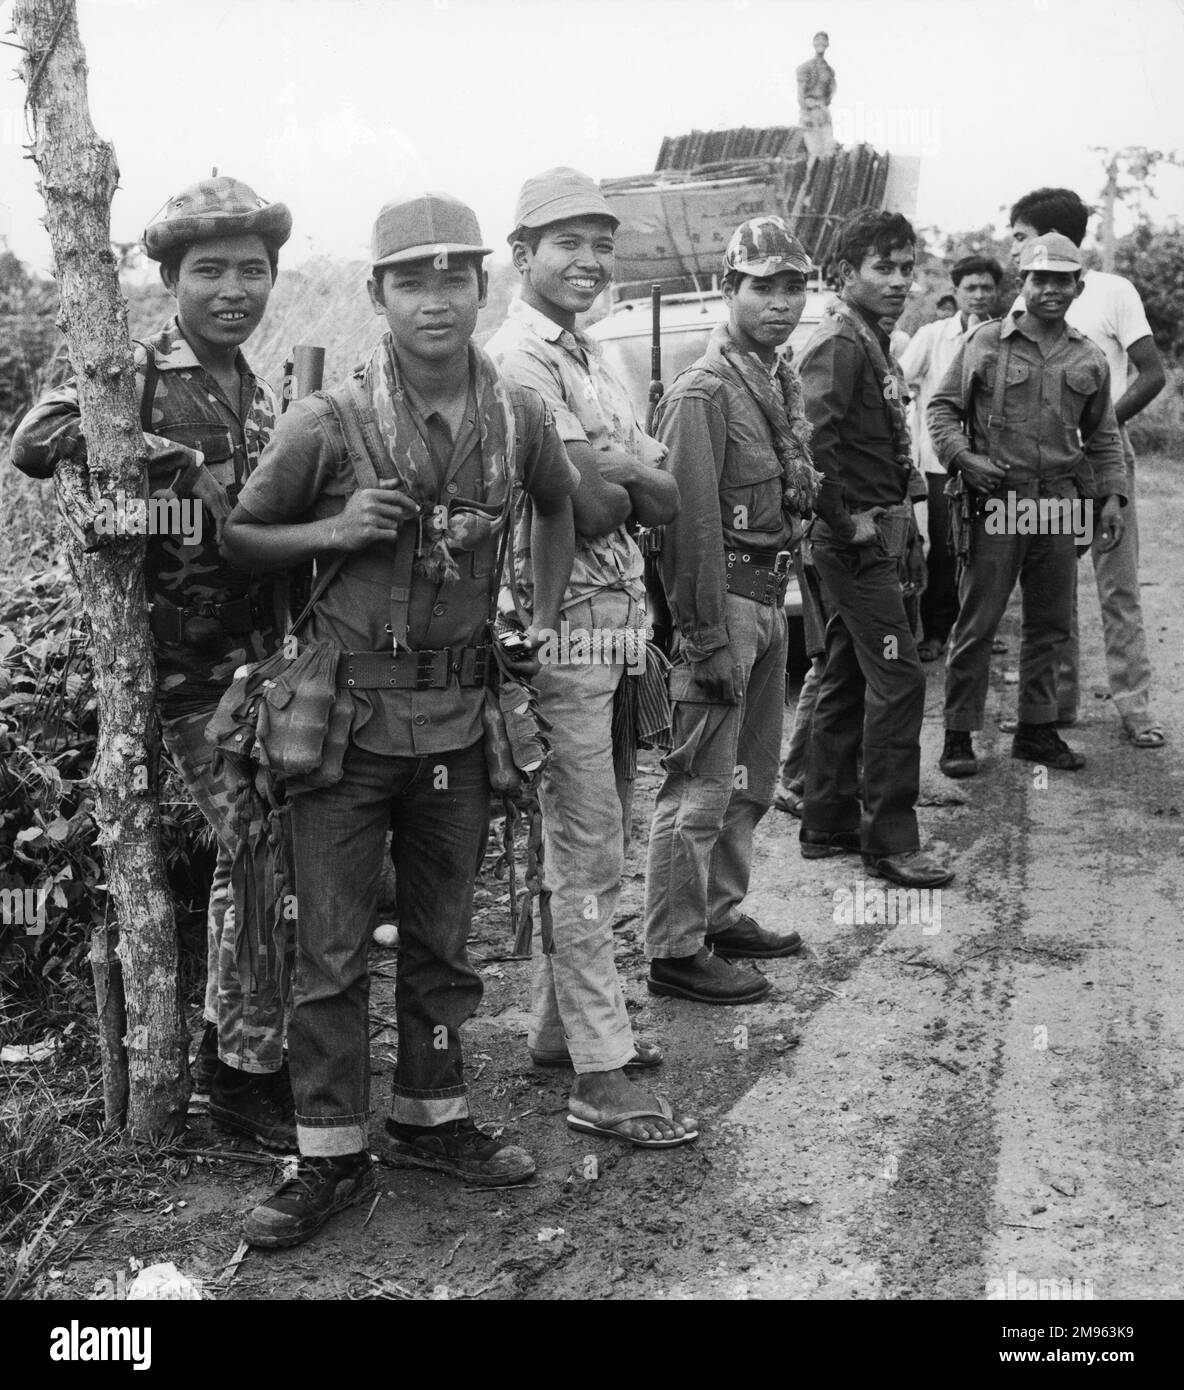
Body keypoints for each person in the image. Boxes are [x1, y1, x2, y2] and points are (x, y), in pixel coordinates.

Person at [223, 193, 578, 1248]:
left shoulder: (517, 413)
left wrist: (543, 618)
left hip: (460, 723)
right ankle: (327, 1153)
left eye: (454, 277)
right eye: (411, 279)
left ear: (483, 286)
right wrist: (335, 525)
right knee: (329, 951)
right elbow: (243, 533)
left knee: (440, 941)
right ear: (377, 295)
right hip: (341, 725)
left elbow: (559, 504)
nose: (436, 298)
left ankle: (433, 1118)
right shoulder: (328, 420)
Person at [11, 176, 298, 1149]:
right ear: (168, 276)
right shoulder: (128, 371)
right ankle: (242, 1080)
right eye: (208, 270)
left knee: (257, 858)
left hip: (262, 666)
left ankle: (247, 1048)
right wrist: (158, 456)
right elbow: (34, 442)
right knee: (257, 852)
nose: (232, 290)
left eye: (251, 271)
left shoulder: (260, 389)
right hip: (184, 675)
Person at [485, 168, 695, 1149]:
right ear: (521, 255)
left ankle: (560, 1031)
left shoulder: (593, 358)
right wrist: (615, 472)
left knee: (602, 821)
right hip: (557, 615)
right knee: (586, 842)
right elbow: (591, 497)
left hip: (615, 617)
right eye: (565, 243)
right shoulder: (515, 361)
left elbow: (658, 495)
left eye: (599, 244)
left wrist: (618, 471)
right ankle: (599, 1073)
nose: (587, 261)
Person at [644, 216, 817, 1006]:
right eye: (764, 287)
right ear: (730, 290)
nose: (781, 303)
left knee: (751, 778)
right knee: (699, 786)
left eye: (793, 288)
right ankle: (675, 949)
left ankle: (717, 915)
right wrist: (703, 633)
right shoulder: (702, 392)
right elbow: (686, 525)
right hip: (725, 605)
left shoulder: (777, 377)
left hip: (770, 595)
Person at [931, 233, 1127, 779]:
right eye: (1040, 279)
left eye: (1061, 280)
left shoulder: (1088, 356)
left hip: (1060, 502)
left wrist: (1111, 497)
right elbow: (942, 411)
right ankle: (959, 732)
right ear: (1023, 283)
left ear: (1077, 287)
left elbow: (1104, 437)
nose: (1050, 290)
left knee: (1050, 623)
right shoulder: (985, 342)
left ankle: (1037, 730)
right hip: (999, 498)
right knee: (978, 619)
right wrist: (963, 459)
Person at [797, 208, 952, 890]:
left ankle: (826, 819)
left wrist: (905, 524)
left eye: (905, 269)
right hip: (851, 540)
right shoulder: (839, 343)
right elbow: (812, 447)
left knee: (847, 671)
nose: (898, 281)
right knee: (900, 675)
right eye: (882, 268)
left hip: (877, 529)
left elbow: (885, 442)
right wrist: (844, 519)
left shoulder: (872, 339)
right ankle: (890, 839)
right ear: (844, 274)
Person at [1009, 187, 1167, 748]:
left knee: (1117, 587)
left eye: (1021, 236)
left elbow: (1152, 373)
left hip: (1103, 461)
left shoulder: (1111, 291)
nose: (1016, 249)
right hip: (1049, 469)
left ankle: (1135, 707)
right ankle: (1056, 706)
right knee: (1052, 591)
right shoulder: (1026, 298)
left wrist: (1100, 427)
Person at [899, 255, 1002, 660]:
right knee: (944, 547)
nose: (978, 295)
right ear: (956, 292)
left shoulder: (1003, 335)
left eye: (986, 287)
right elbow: (900, 380)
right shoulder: (932, 335)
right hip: (942, 463)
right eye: (970, 287)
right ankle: (936, 632)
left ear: (996, 291)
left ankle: (978, 631)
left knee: (988, 548)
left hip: (992, 464)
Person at [797, 31, 837, 161]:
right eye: (818, 40)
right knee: (814, 152)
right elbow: (800, 93)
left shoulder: (829, 70)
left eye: (824, 40)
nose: (821, 43)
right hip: (809, 110)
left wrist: (823, 106)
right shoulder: (805, 67)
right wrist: (806, 113)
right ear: (813, 43)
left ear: (827, 44)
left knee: (828, 150)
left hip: (823, 111)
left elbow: (831, 91)